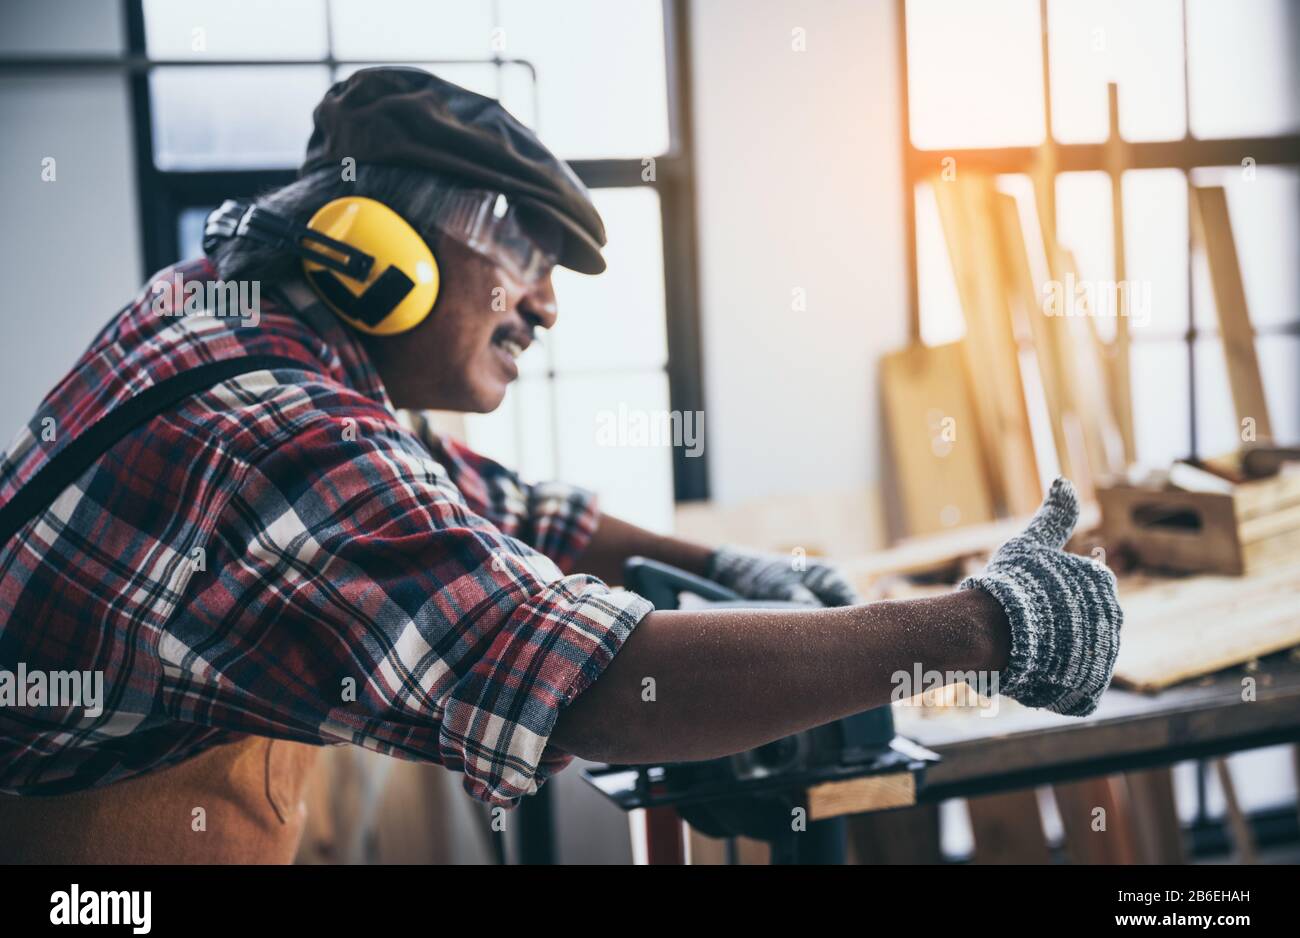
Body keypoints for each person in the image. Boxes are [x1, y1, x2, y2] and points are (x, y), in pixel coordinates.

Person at [0, 68, 1121, 863]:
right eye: (524, 257)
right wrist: (979, 630)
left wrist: (733, 565)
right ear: (379, 252)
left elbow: (486, 504)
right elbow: (579, 684)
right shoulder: (279, 432)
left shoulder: (229, 315)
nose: (542, 305)